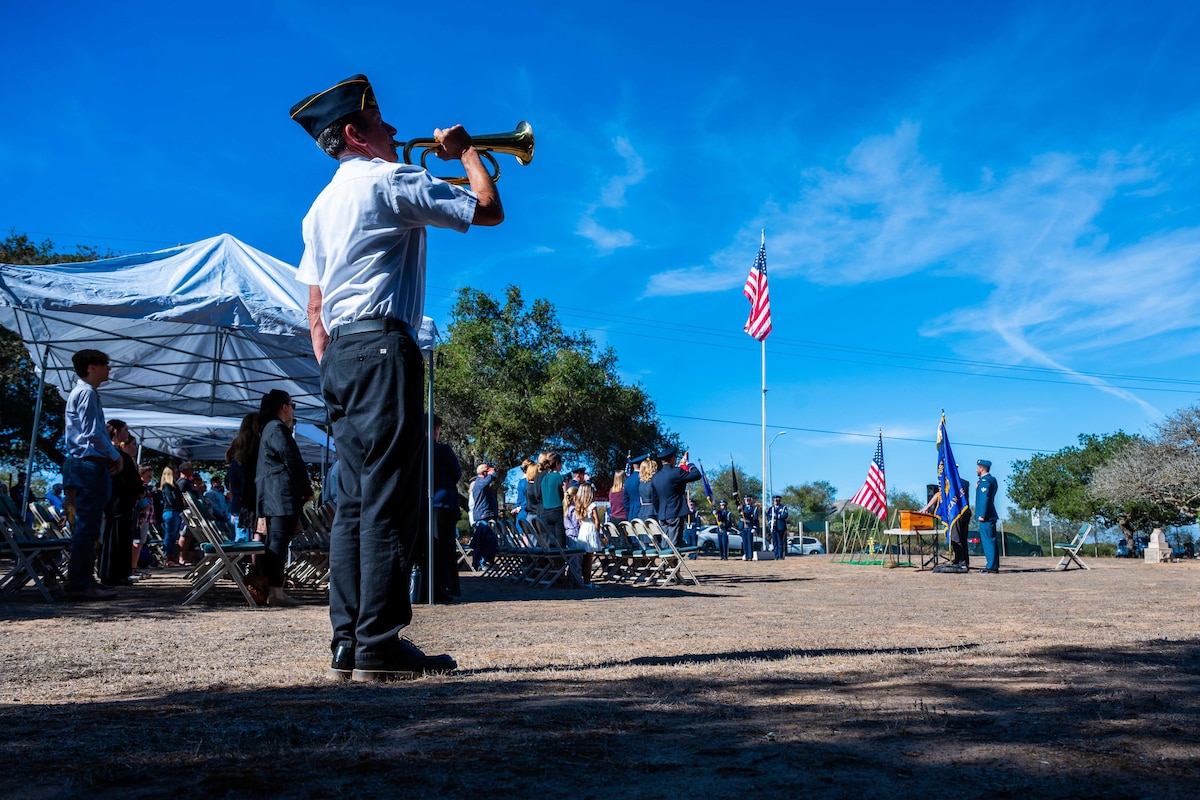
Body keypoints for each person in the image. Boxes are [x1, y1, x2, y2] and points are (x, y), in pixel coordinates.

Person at [291, 73, 502, 681]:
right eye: (381, 122)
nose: (393, 130)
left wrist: (335, 361)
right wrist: (465, 151)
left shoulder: (318, 208)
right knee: (389, 499)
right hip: (385, 346)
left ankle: (348, 642)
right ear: (356, 134)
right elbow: (488, 210)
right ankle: (379, 643)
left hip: (339, 354)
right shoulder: (391, 179)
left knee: (353, 504)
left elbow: (314, 310)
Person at [62, 349, 123, 601]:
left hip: (88, 464)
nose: (109, 369)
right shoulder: (86, 393)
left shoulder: (86, 393)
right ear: (91, 368)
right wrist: (115, 455)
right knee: (87, 527)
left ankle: (84, 580)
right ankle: (80, 584)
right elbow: (92, 434)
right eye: (105, 365)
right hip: (89, 465)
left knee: (89, 526)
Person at [255, 389, 313, 607]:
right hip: (280, 495)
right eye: (292, 405)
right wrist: (306, 489)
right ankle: (275, 592)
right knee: (278, 544)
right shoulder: (277, 429)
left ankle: (274, 590)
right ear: (283, 406)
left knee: (275, 543)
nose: (293, 410)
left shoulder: (268, 429)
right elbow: (293, 460)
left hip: (273, 496)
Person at [100, 423, 141, 587]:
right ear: (116, 432)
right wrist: (138, 489)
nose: (128, 433)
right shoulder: (115, 455)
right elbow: (127, 479)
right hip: (119, 502)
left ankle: (114, 573)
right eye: (125, 430)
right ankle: (113, 574)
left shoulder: (114, 454)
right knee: (117, 538)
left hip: (119, 503)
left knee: (118, 537)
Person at [429, 416, 461, 602]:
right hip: (441, 504)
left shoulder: (414, 450)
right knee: (443, 547)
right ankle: (443, 586)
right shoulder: (442, 450)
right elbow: (456, 473)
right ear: (434, 430)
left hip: (422, 505)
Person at [651, 447, 702, 547]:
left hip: (662, 514)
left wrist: (659, 511)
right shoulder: (677, 472)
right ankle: (671, 562)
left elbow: (655, 498)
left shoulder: (655, 477)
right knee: (674, 546)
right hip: (675, 511)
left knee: (665, 544)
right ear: (672, 459)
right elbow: (696, 475)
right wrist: (689, 464)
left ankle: (666, 562)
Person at [922, 481, 971, 572]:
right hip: (965, 511)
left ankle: (961, 562)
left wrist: (927, 507)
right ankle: (963, 561)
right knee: (962, 539)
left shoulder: (950, 481)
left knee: (955, 538)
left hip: (956, 513)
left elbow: (938, 494)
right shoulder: (963, 482)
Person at [225, 412, 257, 541]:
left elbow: (230, 487)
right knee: (242, 538)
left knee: (242, 536)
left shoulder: (234, 464)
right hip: (243, 504)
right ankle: (240, 560)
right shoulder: (240, 463)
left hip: (238, 504)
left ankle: (240, 560)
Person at [470, 462, 500, 570]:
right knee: (486, 540)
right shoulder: (480, 482)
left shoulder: (480, 483)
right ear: (484, 472)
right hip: (483, 516)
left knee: (483, 540)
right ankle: (483, 563)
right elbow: (489, 479)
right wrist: (491, 474)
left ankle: (482, 563)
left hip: (484, 515)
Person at [574, 483, 602, 587]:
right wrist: (597, 531)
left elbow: (579, 521)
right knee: (589, 557)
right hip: (590, 529)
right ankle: (587, 581)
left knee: (584, 556)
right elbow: (597, 521)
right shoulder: (592, 505)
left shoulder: (578, 505)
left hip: (583, 530)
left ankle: (584, 579)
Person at [159, 465, 187, 566]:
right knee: (169, 535)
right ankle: (167, 558)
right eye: (175, 472)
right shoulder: (167, 486)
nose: (177, 474)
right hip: (171, 512)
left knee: (173, 535)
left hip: (175, 512)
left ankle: (170, 557)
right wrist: (179, 506)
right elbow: (171, 499)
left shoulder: (174, 486)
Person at [976, 459, 1000, 573]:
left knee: (988, 541)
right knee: (991, 540)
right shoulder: (992, 480)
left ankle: (991, 566)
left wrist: (982, 514)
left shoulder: (985, 481)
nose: (977, 469)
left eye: (978, 467)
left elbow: (984, 499)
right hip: (990, 514)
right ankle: (993, 564)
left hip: (986, 515)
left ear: (981, 469)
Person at [539, 452, 567, 546]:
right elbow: (565, 494)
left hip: (545, 511)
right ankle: (561, 560)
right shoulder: (560, 477)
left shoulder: (544, 478)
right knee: (560, 541)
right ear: (558, 464)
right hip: (557, 510)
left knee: (551, 541)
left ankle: (552, 560)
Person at [624, 455, 646, 520]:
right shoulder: (643, 478)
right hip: (642, 512)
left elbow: (625, 500)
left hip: (631, 513)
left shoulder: (628, 480)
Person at [767, 495, 789, 560]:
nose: (776, 502)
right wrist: (770, 520)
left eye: (777, 500)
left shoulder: (783, 507)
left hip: (780, 527)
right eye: (774, 501)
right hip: (773, 527)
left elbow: (785, 515)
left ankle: (780, 555)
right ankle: (776, 556)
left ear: (779, 501)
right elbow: (768, 516)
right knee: (775, 542)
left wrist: (778, 516)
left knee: (780, 542)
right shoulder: (771, 508)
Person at [740, 496, 759, 560]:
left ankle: (750, 556)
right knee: (744, 542)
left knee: (749, 541)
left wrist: (754, 527)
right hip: (743, 526)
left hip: (750, 526)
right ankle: (746, 555)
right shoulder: (742, 507)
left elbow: (755, 518)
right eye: (746, 500)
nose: (747, 501)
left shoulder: (754, 508)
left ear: (750, 500)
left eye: (748, 500)